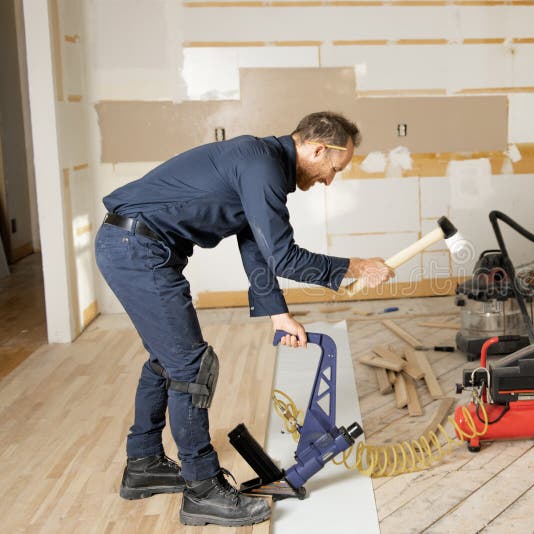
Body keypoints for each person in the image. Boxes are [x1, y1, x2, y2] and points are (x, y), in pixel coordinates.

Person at [95, 111, 392, 527]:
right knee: (191, 367)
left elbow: (255, 243)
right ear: (318, 148)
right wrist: (354, 266)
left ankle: (143, 464)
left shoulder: (262, 163)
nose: (329, 180)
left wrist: (278, 315)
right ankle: (202, 490)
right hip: (136, 248)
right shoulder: (262, 165)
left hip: (132, 244)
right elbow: (284, 256)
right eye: (333, 169)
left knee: (168, 359)